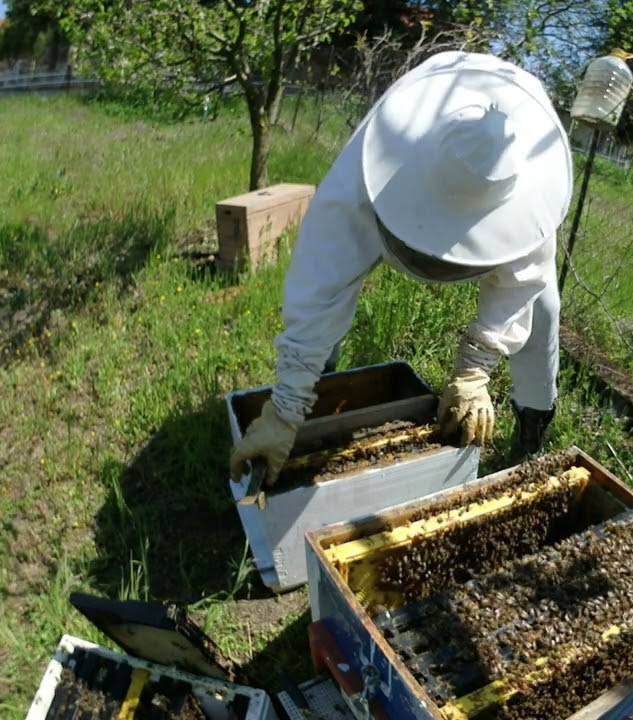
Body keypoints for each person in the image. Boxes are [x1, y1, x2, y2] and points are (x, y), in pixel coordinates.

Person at [229, 50, 574, 487]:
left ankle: (531, 433)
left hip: (511, 164)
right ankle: (315, 395)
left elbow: (521, 282)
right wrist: (283, 408)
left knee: (543, 309)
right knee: (329, 301)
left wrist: (474, 368)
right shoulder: (359, 177)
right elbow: (321, 288)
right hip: (412, 159)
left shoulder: (530, 192)